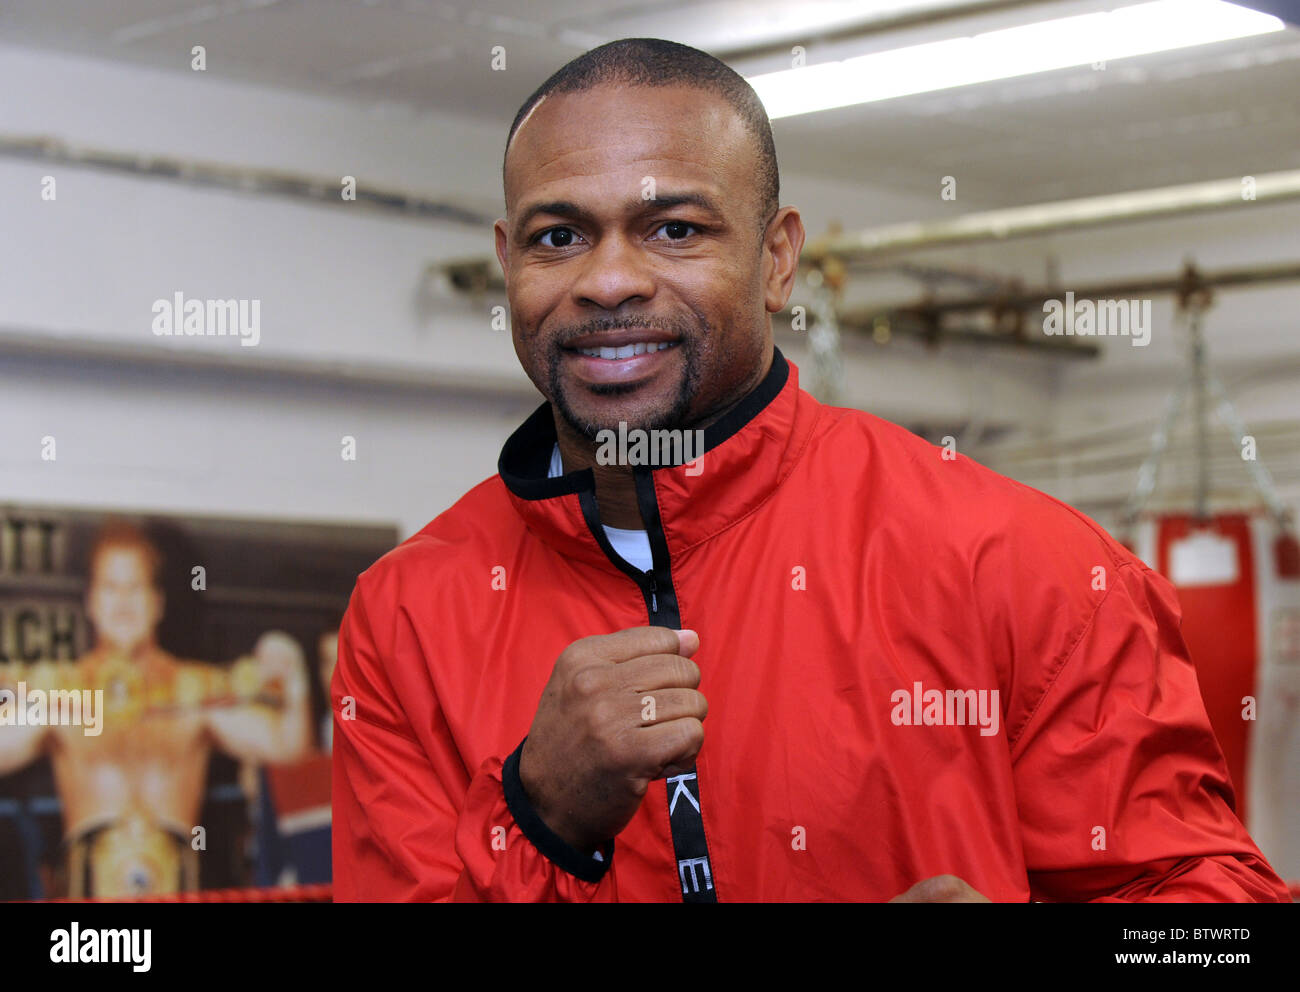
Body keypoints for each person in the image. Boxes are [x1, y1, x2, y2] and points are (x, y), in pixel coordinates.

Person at [330, 38, 1290, 902]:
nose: (609, 279)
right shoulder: (407, 615)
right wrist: (537, 817)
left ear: (778, 260)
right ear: (507, 266)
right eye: (558, 236)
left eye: (675, 229)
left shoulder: (1018, 562)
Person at [0, 520, 312, 896]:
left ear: (157, 602)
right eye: (111, 588)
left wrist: (295, 682)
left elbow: (287, 747)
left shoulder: (195, 693)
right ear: (91, 601)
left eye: (135, 587)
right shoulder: (63, 696)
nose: (123, 602)